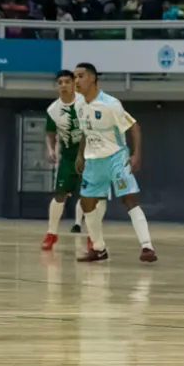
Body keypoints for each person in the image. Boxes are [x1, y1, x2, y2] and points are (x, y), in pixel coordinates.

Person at [73, 63, 157, 263]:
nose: (76, 80)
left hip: (115, 159)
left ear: (92, 78)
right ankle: (99, 249)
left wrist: (136, 155)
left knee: (129, 199)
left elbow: (134, 127)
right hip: (93, 162)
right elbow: (86, 131)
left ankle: (147, 247)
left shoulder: (111, 104)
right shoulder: (79, 105)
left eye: (81, 76)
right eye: (74, 76)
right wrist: (80, 155)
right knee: (87, 203)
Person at [40, 70, 85, 251]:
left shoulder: (85, 102)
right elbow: (50, 134)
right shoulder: (53, 110)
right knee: (60, 194)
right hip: (67, 158)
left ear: (74, 84)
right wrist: (51, 150)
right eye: (60, 82)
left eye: (67, 82)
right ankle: (51, 233)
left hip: (89, 155)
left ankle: (93, 237)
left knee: (90, 197)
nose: (64, 85)